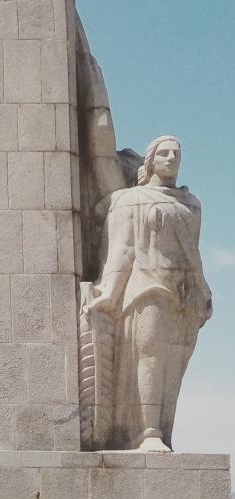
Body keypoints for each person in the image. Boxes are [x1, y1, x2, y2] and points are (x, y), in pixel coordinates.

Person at [87, 136, 212, 451]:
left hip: (185, 294)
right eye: (164, 153)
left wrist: (203, 289)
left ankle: (162, 432)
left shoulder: (191, 204)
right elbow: (122, 250)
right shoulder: (129, 200)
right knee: (150, 357)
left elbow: (193, 254)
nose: (171, 158)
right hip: (146, 288)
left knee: (173, 366)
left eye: (176, 154)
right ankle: (148, 433)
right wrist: (110, 295)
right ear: (151, 160)